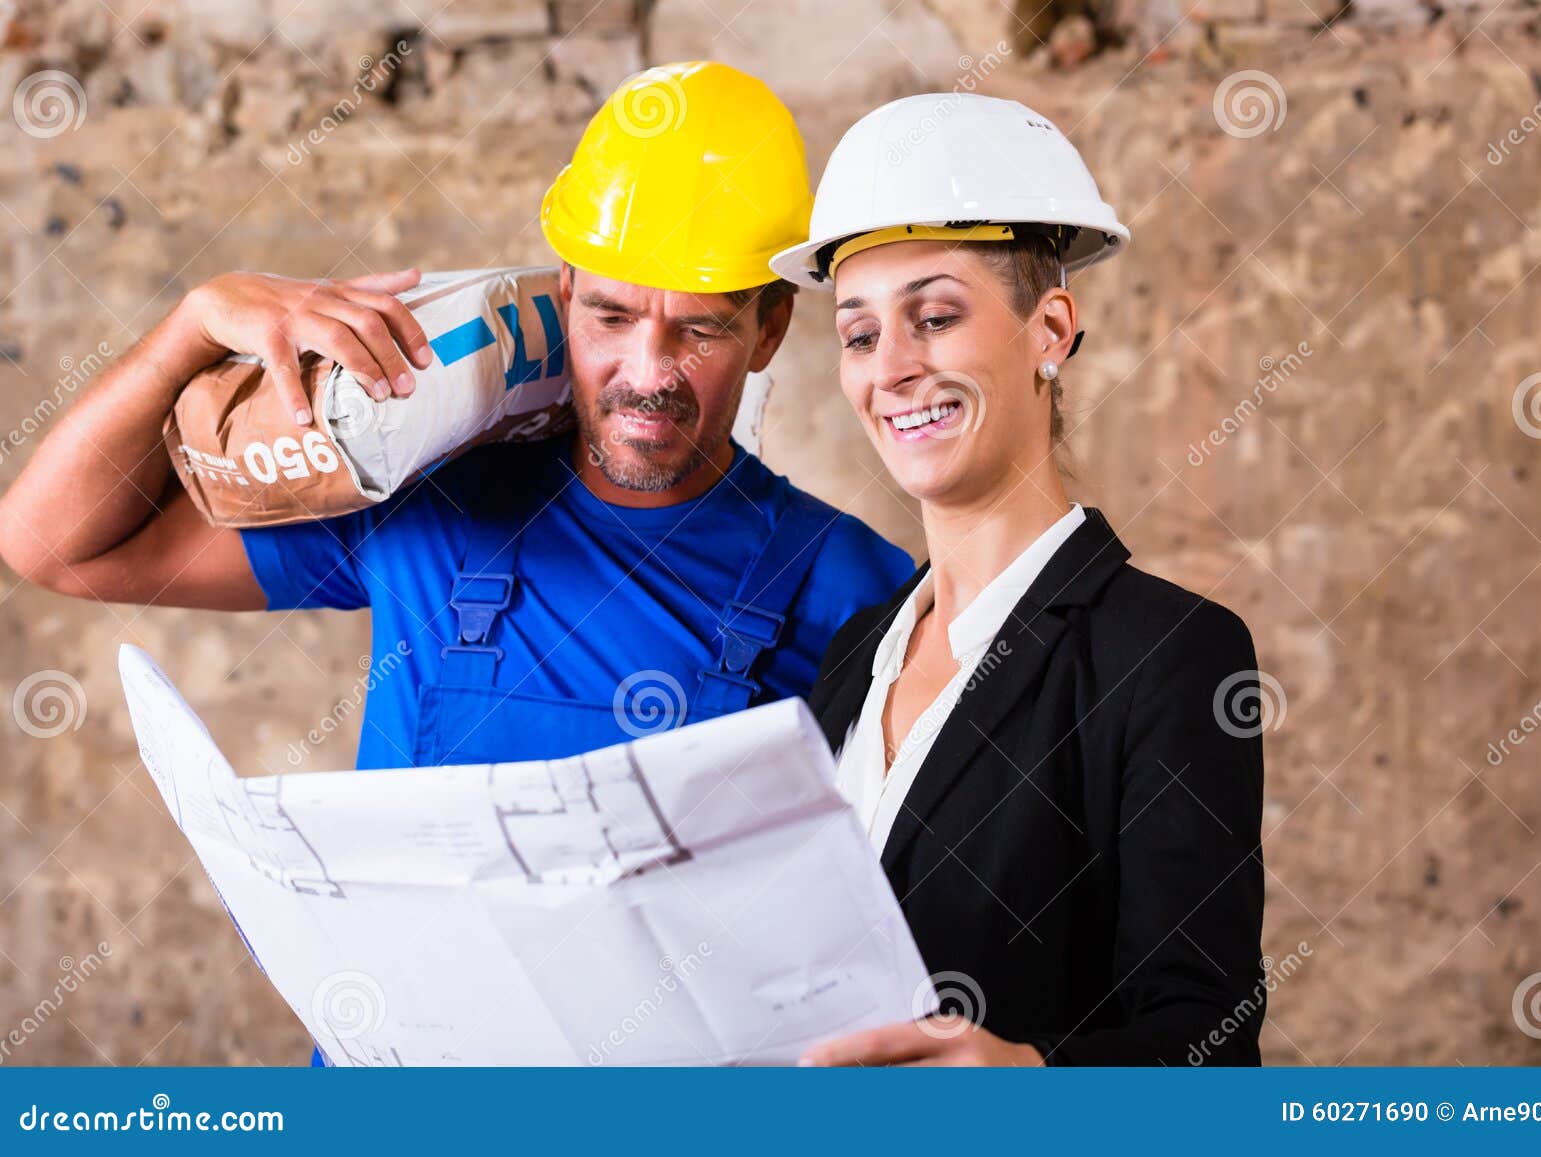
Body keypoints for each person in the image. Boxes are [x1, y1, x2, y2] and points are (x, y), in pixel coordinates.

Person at [0, 62, 914, 1063]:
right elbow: (55, 543)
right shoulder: (423, 491)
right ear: (561, 295)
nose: (648, 374)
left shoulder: (855, 589)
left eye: (698, 329)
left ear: (770, 326)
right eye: (610, 317)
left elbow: (872, 941)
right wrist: (190, 328)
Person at [769, 93, 1266, 1066]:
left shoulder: (1165, 655)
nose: (894, 367)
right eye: (860, 334)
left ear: (1048, 332)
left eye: (936, 317)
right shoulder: (854, 654)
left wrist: (1026, 1076)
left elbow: (1210, 1044)